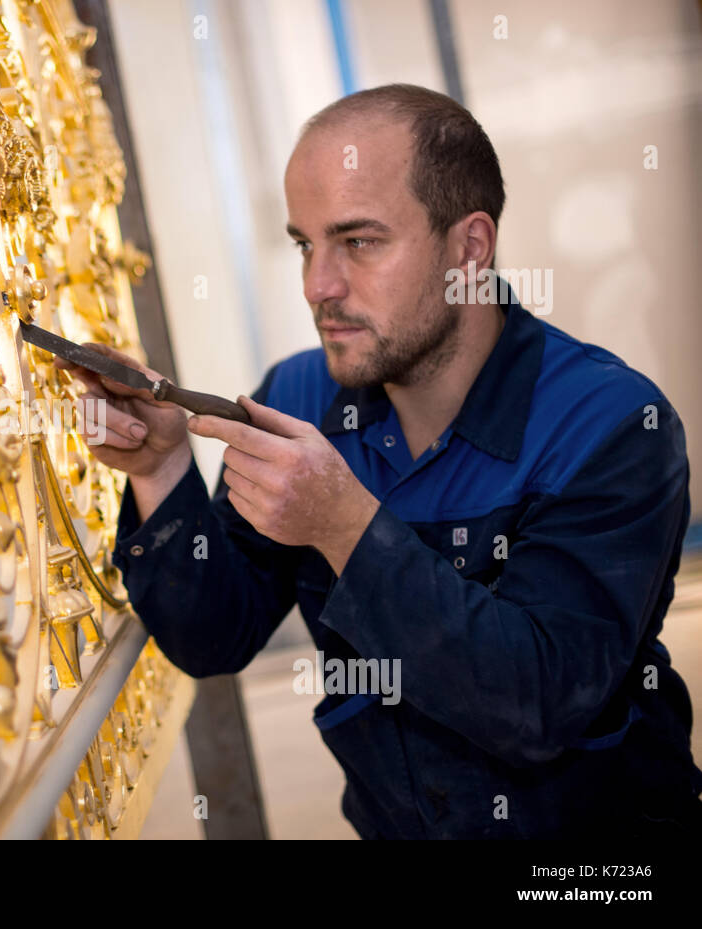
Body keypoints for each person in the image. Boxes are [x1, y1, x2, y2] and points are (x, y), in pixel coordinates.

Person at [58, 83, 702, 838]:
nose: (317, 286)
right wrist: (161, 471)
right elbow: (215, 635)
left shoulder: (610, 424)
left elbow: (539, 703)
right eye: (306, 243)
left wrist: (345, 525)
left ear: (469, 248)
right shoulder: (300, 396)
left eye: (358, 241)